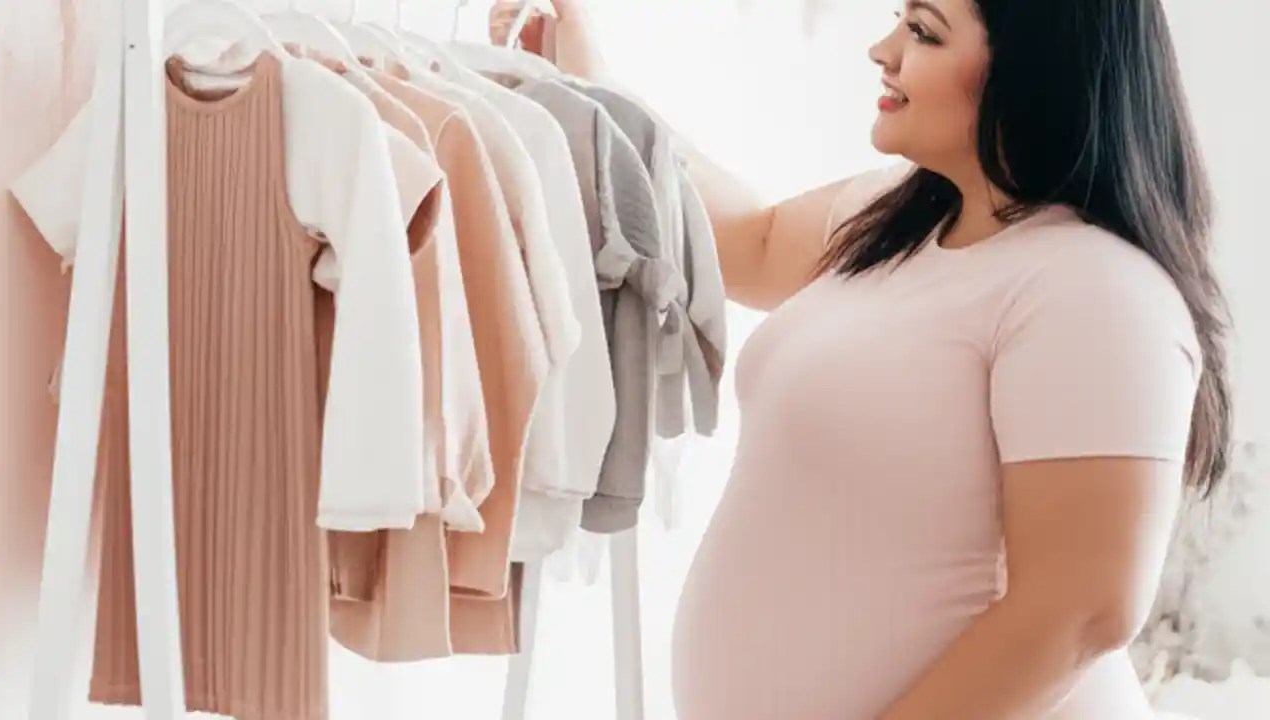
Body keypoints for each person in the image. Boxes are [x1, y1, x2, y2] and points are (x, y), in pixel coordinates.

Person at [491, 2, 1231, 718]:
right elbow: (748, 238)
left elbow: (1079, 612)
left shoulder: (1094, 291)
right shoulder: (895, 221)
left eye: (924, 31)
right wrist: (586, 86)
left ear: (1036, 69)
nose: (884, 50)